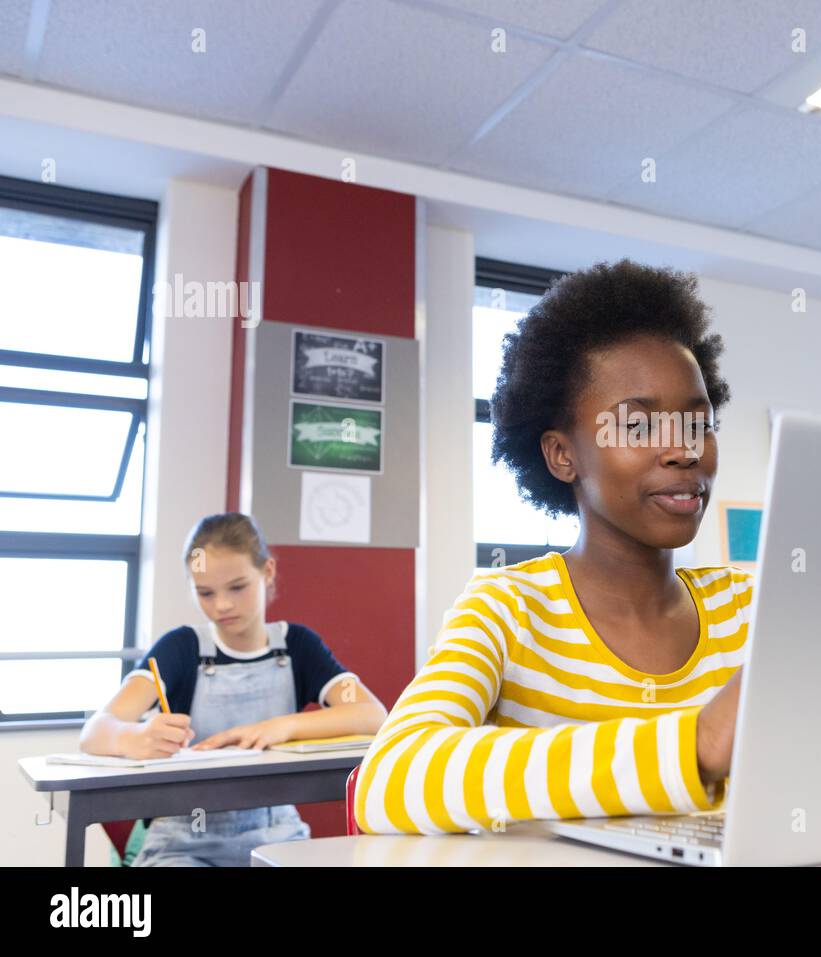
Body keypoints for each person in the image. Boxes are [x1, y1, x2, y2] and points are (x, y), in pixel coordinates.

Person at [354, 260, 748, 834]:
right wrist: (694, 745)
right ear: (563, 455)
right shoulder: (506, 610)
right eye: (638, 428)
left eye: (697, 424)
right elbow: (389, 780)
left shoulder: (751, 609)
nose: (683, 451)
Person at [80, 512, 389, 865]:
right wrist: (133, 737)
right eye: (205, 593)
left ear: (267, 571)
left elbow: (371, 714)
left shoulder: (298, 646)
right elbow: (96, 730)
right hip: (184, 843)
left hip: (278, 840)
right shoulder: (179, 649)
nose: (222, 605)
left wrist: (281, 727)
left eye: (238, 587)